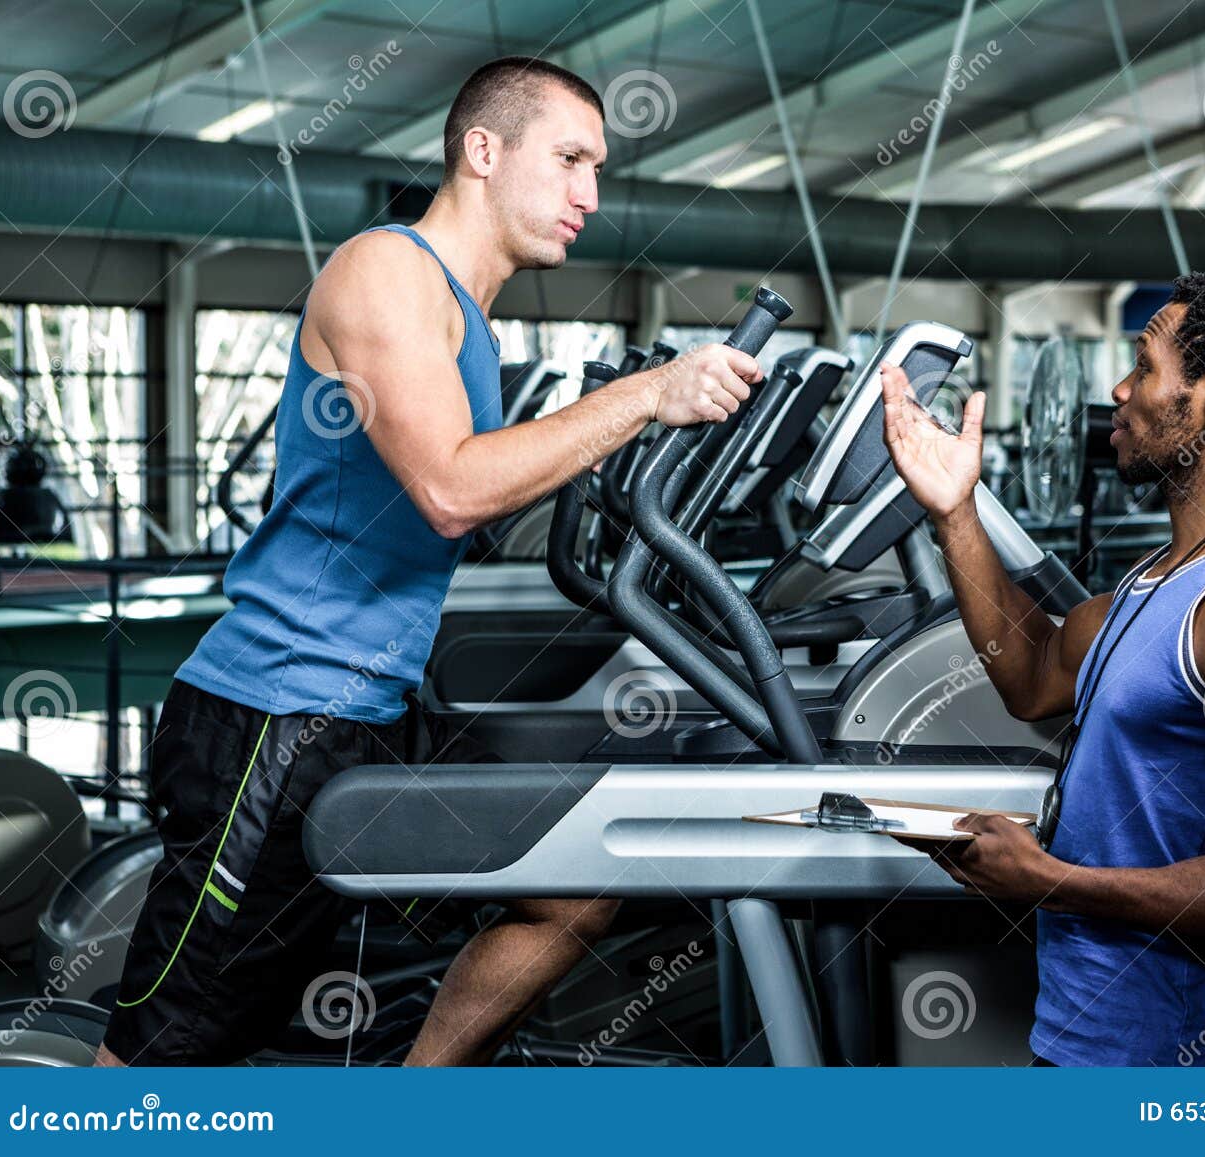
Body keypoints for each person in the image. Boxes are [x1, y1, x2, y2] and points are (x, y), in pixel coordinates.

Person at [98, 57, 762, 1067]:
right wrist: (645, 396)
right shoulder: (386, 270)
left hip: (377, 712)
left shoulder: (469, 319)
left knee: (573, 888)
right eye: (571, 158)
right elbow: (452, 489)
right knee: (163, 1060)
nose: (591, 193)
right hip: (279, 719)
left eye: (599, 167)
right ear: (482, 151)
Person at [880, 265, 1205, 1066]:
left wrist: (1051, 881)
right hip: (1078, 1042)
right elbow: (1029, 672)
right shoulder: (1155, 581)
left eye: (1145, 366)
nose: (1119, 388)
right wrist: (955, 509)